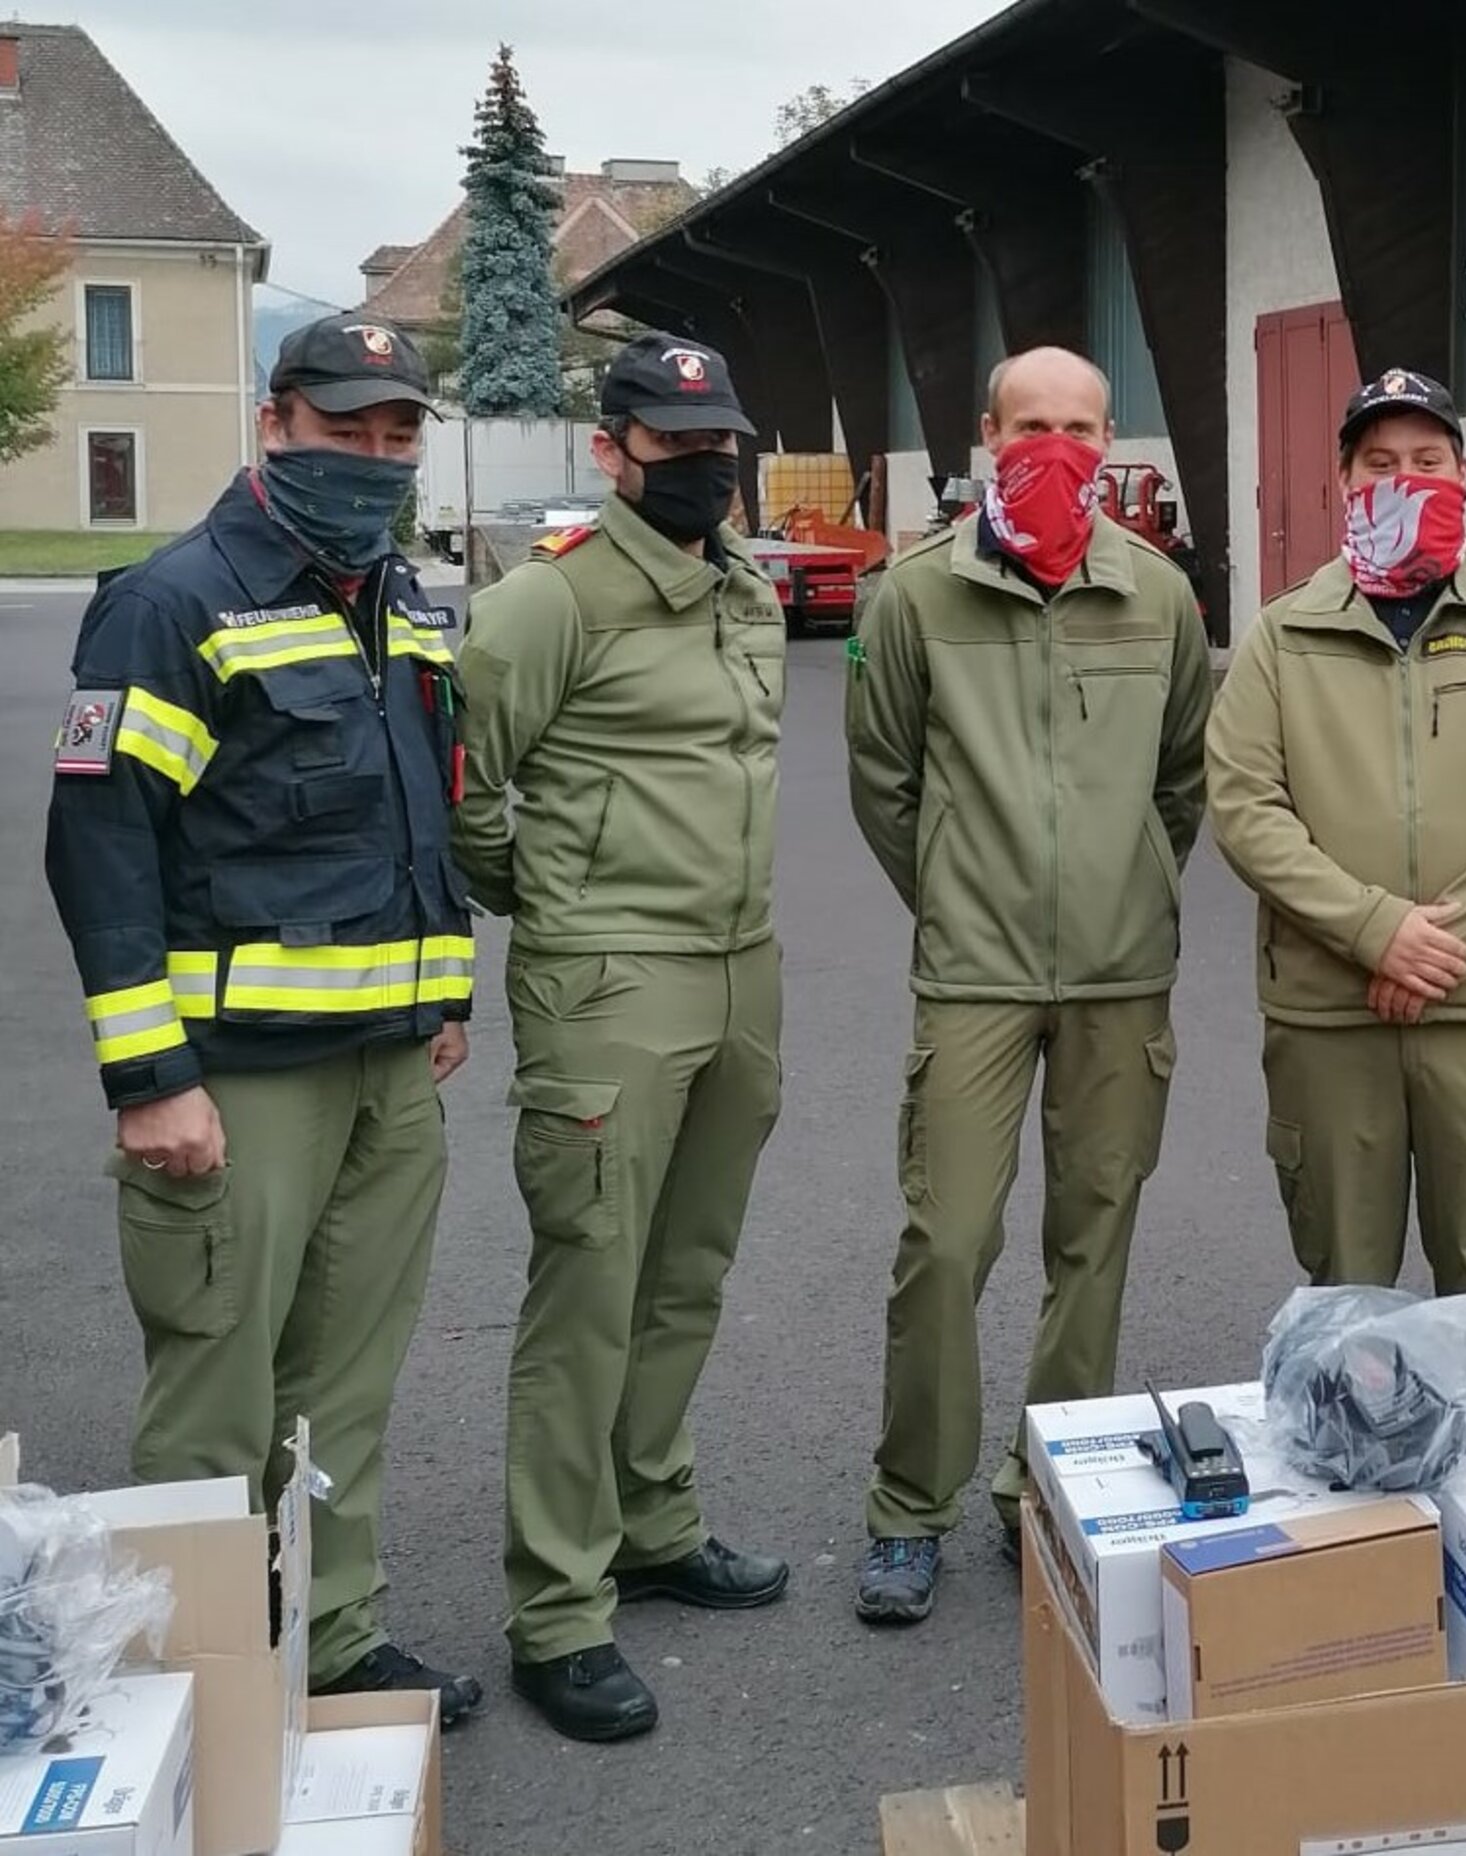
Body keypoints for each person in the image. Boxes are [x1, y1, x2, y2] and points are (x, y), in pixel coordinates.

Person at [44, 315, 482, 1724]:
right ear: (273, 423)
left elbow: (423, 805)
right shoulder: (171, 603)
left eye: (395, 432)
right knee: (219, 1391)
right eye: (342, 428)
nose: (370, 457)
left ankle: (334, 1642)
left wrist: (442, 992)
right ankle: (197, 1696)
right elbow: (100, 846)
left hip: (387, 1066)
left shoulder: (398, 597)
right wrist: (149, 1073)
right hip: (237, 1083)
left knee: (343, 1385)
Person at [453, 333, 788, 1742]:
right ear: (615, 448)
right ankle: (558, 1608)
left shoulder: (744, 593)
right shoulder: (549, 605)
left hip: (740, 973)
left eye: (722, 444)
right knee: (588, 1294)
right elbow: (470, 797)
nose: (704, 467)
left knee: (686, 1274)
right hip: (608, 983)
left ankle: (652, 1521)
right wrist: (567, 908)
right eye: (675, 443)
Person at [846, 346, 1212, 1624]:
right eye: (1031, 424)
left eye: (1079, 425)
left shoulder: (1158, 597)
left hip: (1121, 975)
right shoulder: (911, 597)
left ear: (1111, 440)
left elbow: (1182, 782)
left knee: (1091, 1238)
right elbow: (881, 783)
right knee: (945, 1239)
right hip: (975, 977)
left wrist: (1124, 891)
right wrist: (960, 895)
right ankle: (909, 1504)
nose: (1054, 444)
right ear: (987, 435)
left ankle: (1042, 1483)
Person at [1206, 368, 1466, 1292]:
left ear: (1464, 472)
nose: (1405, 477)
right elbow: (1243, 804)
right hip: (1329, 1010)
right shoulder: (1283, 634)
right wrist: (1374, 933)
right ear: (1345, 479)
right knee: (1347, 1284)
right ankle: (1351, 1442)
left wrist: (1436, 943)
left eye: (1428, 459)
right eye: (1381, 461)